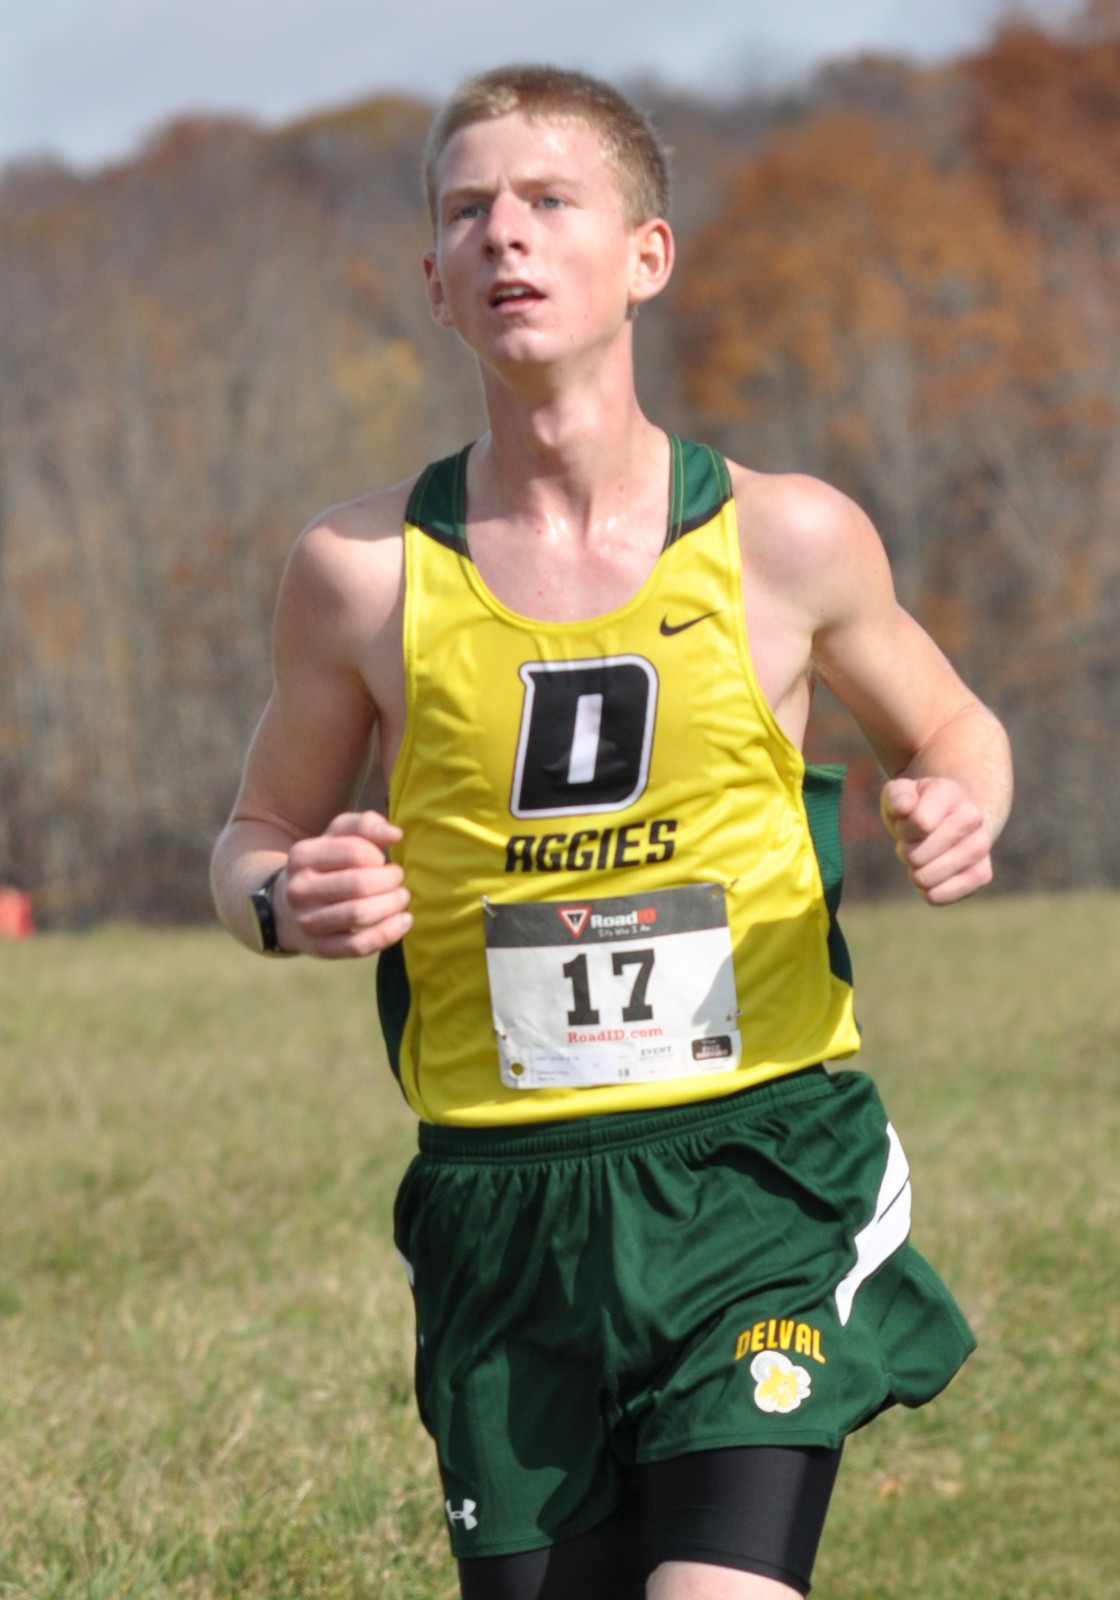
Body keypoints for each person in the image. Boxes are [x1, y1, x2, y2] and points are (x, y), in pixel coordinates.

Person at [211, 64, 1013, 1600]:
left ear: (646, 256)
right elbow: (253, 834)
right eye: (466, 212)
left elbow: (957, 725)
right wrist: (280, 901)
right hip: (503, 1216)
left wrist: (963, 805)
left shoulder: (784, 535)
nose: (503, 234)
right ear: (435, 284)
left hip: (754, 1175)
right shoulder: (360, 572)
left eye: (547, 201)